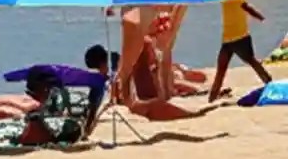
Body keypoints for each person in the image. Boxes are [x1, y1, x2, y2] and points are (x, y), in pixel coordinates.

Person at [86, 44, 218, 122]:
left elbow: (119, 87)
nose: (99, 72)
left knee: (170, 87)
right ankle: (199, 90)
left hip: (146, 96)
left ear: (101, 64)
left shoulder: (117, 67)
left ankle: (198, 93)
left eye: (97, 69)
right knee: (173, 83)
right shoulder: (118, 61)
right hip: (147, 87)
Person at [209, 0, 274, 101]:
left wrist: (258, 16)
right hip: (228, 37)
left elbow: (244, 5)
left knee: (250, 61)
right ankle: (212, 98)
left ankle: (270, 83)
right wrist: (257, 16)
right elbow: (245, 6)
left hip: (239, 35)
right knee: (224, 67)